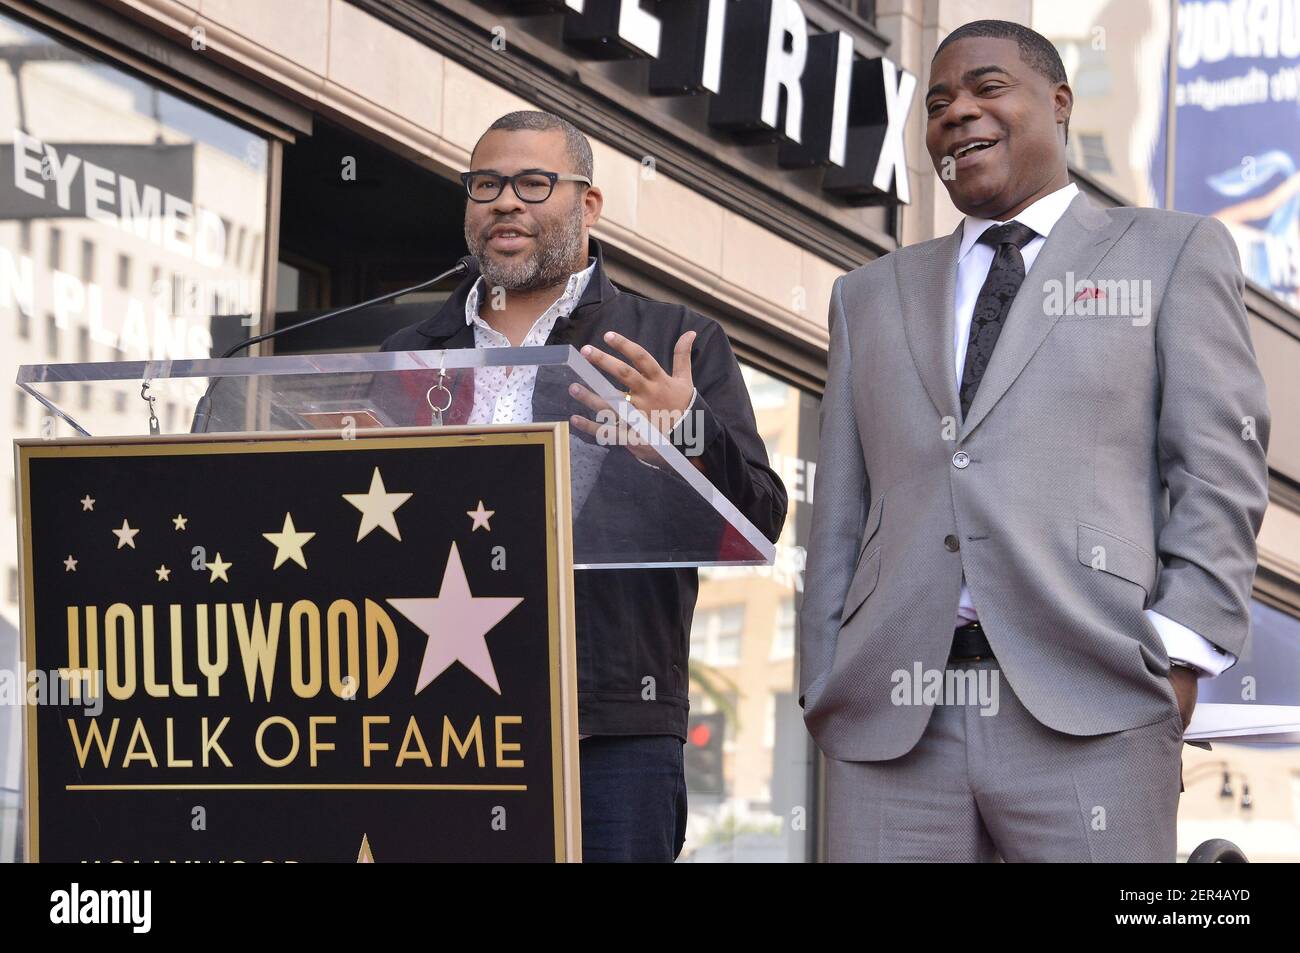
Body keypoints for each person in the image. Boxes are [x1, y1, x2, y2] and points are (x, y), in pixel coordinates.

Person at [798, 20, 1270, 862]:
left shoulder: (1170, 252)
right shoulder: (867, 295)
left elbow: (1219, 467)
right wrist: (824, 677)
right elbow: (841, 507)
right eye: (938, 102)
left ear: (1059, 104)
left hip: (1095, 697)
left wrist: (1179, 652)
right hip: (893, 720)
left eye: (986, 87)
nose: (957, 114)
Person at [381, 110, 787, 862]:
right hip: (433, 721)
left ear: (588, 206)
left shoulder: (670, 341)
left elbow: (762, 514)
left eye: (533, 183)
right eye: (485, 184)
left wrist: (685, 431)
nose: (505, 201)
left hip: (608, 732)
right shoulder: (412, 351)